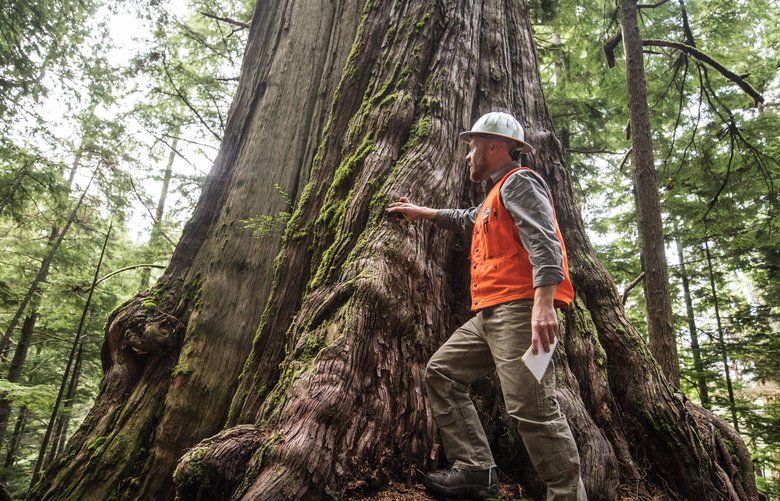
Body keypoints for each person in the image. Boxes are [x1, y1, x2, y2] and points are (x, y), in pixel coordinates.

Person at [385, 111, 587, 500]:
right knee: (441, 373)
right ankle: (476, 471)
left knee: (534, 410)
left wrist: (543, 307)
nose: (467, 156)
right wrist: (420, 212)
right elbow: (468, 218)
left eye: (473, 146)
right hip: (491, 316)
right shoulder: (496, 194)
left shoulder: (521, 182)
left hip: (521, 313)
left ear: (494, 145)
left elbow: (547, 244)